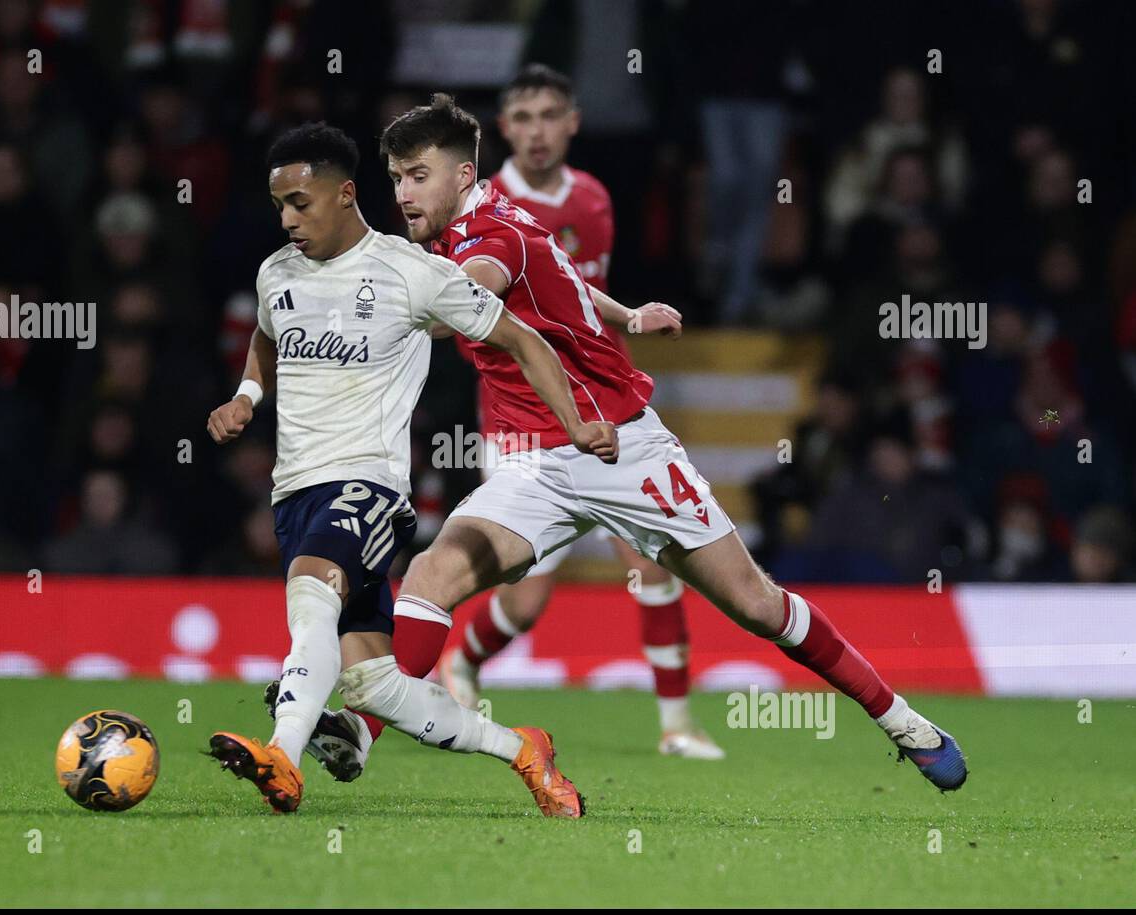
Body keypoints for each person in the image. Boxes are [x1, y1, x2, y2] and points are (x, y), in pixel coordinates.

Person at [290, 95, 968, 796]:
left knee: (757, 605)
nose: (403, 193)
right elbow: (561, 277)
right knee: (433, 573)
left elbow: (469, 293)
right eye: (396, 177)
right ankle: (356, 734)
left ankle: (902, 720)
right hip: (541, 462)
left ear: (463, 176)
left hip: (622, 449)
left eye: (418, 175)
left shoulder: (486, 241)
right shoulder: (499, 222)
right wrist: (628, 313)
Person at [204, 122, 616, 817]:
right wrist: (246, 396)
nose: (287, 219)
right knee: (373, 686)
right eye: (279, 205)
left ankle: (283, 753)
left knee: (313, 595)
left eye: (301, 203)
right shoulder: (276, 272)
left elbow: (519, 336)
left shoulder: (411, 272)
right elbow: (267, 336)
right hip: (295, 492)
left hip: (367, 485)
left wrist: (576, 423)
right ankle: (523, 748)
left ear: (346, 193)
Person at [435, 64, 721, 759]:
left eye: (549, 115)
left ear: (573, 123)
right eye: (523, 117)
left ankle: (678, 726)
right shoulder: (480, 201)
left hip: (602, 417)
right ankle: (461, 662)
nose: (536, 131)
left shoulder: (593, 200)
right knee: (526, 600)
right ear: (504, 128)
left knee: (655, 566)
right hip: (520, 423)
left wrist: (630, 319)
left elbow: (578, 297)